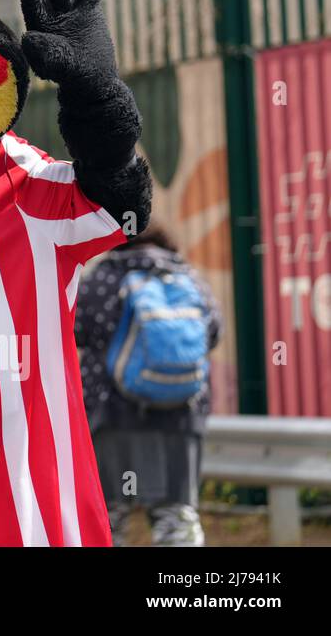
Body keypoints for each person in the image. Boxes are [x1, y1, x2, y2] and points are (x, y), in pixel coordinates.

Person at [74, 223, 222, 546]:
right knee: (176, 517)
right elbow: (213, 333)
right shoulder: (190, 280)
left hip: (111, 416)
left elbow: (75, 331)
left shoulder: (102, 280)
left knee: (108, 518)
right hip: (181, 417)